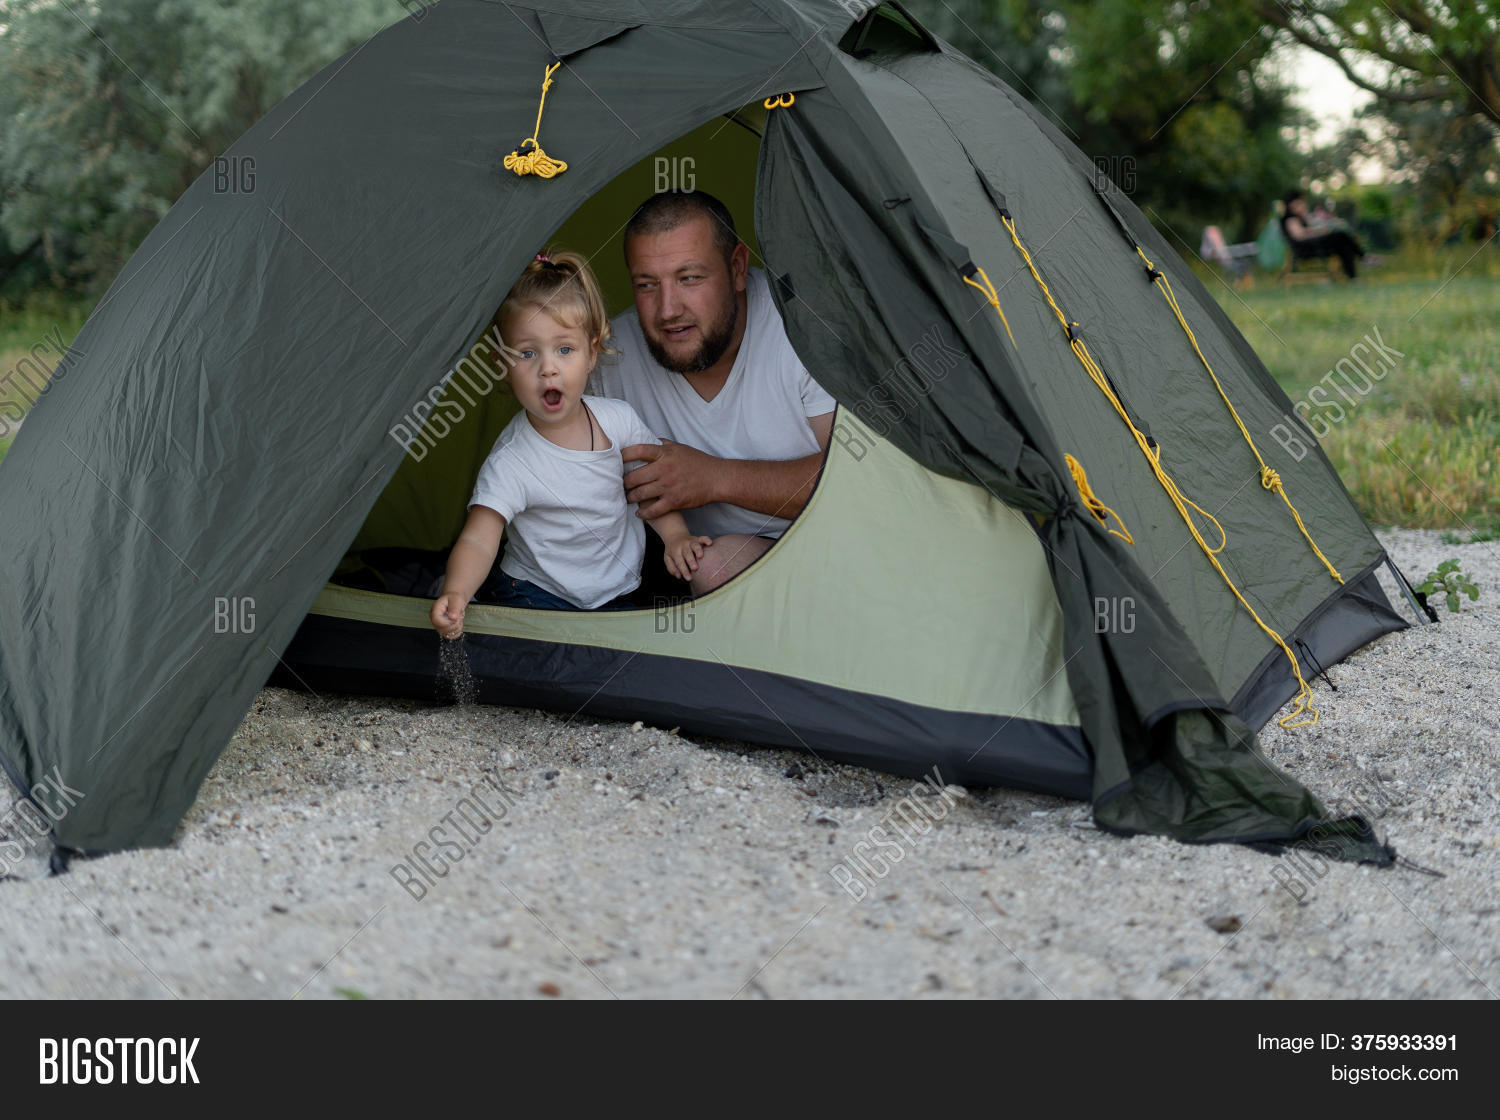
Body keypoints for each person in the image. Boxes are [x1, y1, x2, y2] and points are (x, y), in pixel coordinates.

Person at [430, 250, 711, 637]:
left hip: (617, 589)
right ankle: (469, 598)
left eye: (565, 349)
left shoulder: (619, 420)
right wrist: (457, 592)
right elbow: (480, 537)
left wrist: (676, 536)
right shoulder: (512, 460)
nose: (548, 367)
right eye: (527, 354)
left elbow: (652, 486)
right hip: (534, 593)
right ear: (502, 365)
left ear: (592, 353)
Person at [600, 190, 836, 594]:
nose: (668, 309)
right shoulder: (607, 356)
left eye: (689, 278)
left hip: (840, 545)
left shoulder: (804, 328)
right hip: (695, 559)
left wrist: (714, 478)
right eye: (646, 285)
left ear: (738, 267)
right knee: (713, 568)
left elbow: (862, 483)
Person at [1281, 189, 1365, 280]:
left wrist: (1305, 215)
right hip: (1306, 249)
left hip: (1314, 245)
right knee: (1341, 237)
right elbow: (1300, 236)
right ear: (1293, 203)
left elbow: (1312, 225)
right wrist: (1320, 232)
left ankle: (1354, 275)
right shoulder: (1290, 218)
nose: (1304, 204)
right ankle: (1363, 258)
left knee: (1343, 244)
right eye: (1301, 202)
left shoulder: (1301, 217)